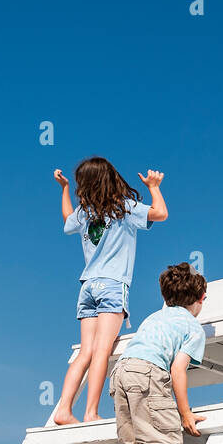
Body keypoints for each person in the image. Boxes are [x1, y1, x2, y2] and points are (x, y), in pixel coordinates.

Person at [51, 158, 167, 424]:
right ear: (111, 178)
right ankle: (91, 412)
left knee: (86, 352)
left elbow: (67, 218)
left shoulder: (84, 213)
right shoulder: (124, 208)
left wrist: (64, 189)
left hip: (87, 286)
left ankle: (64, 409)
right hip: (112, 285)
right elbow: (161, 214)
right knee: (103, 350)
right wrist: (154, 186)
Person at [105, 263, 208, 444]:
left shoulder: (154, 317)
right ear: (199, 299)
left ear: (165, 297)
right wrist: (185, 413)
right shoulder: (194, 329)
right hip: (147, 373)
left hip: (120, 373)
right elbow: (178, 371)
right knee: (164, 438)